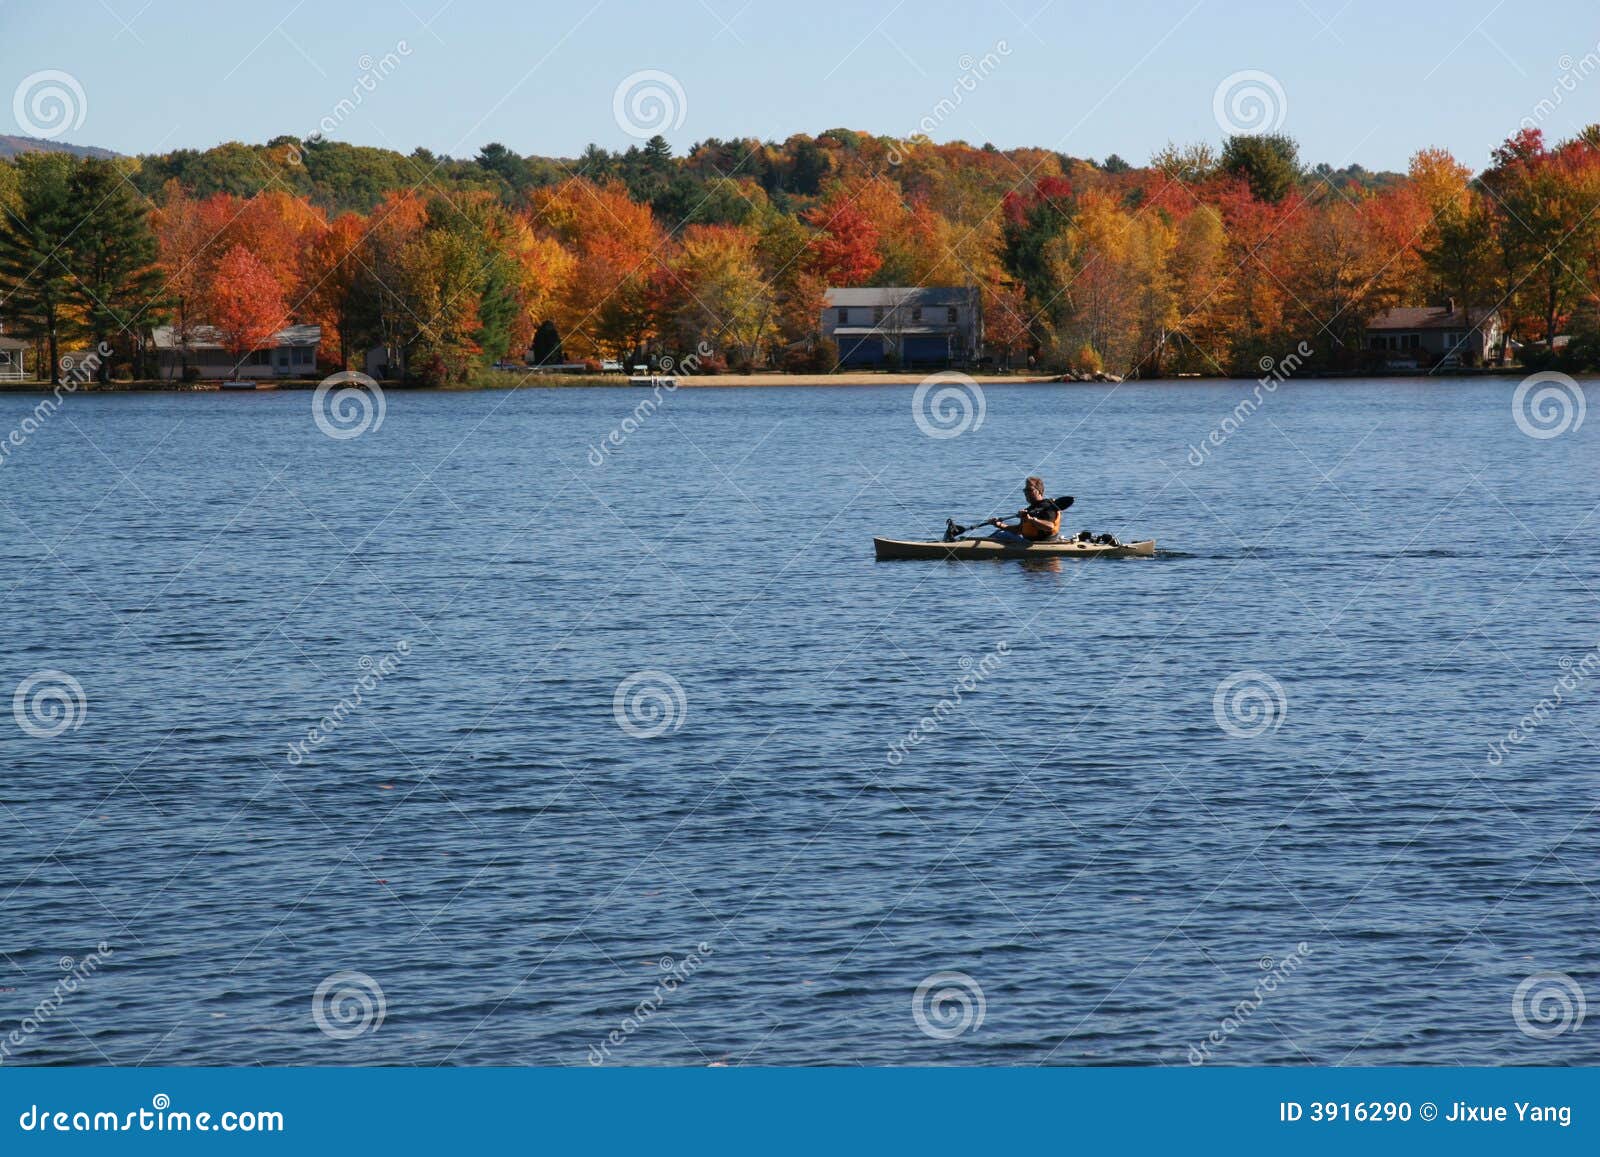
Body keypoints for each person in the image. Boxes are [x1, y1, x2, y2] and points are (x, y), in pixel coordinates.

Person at [989, 476, 1063, 544]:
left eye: (1030, 490)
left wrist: (1031, 520)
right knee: (1000, 531)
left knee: (1000, 534)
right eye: (1025, 490)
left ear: (1039, 491)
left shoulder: (1048, 506)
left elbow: (1050, 526)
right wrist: (999, 525)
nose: (1026, 493)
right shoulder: (1029, 509)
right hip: (1028, 542)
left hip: (1041, 543)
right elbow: (1019, 530)